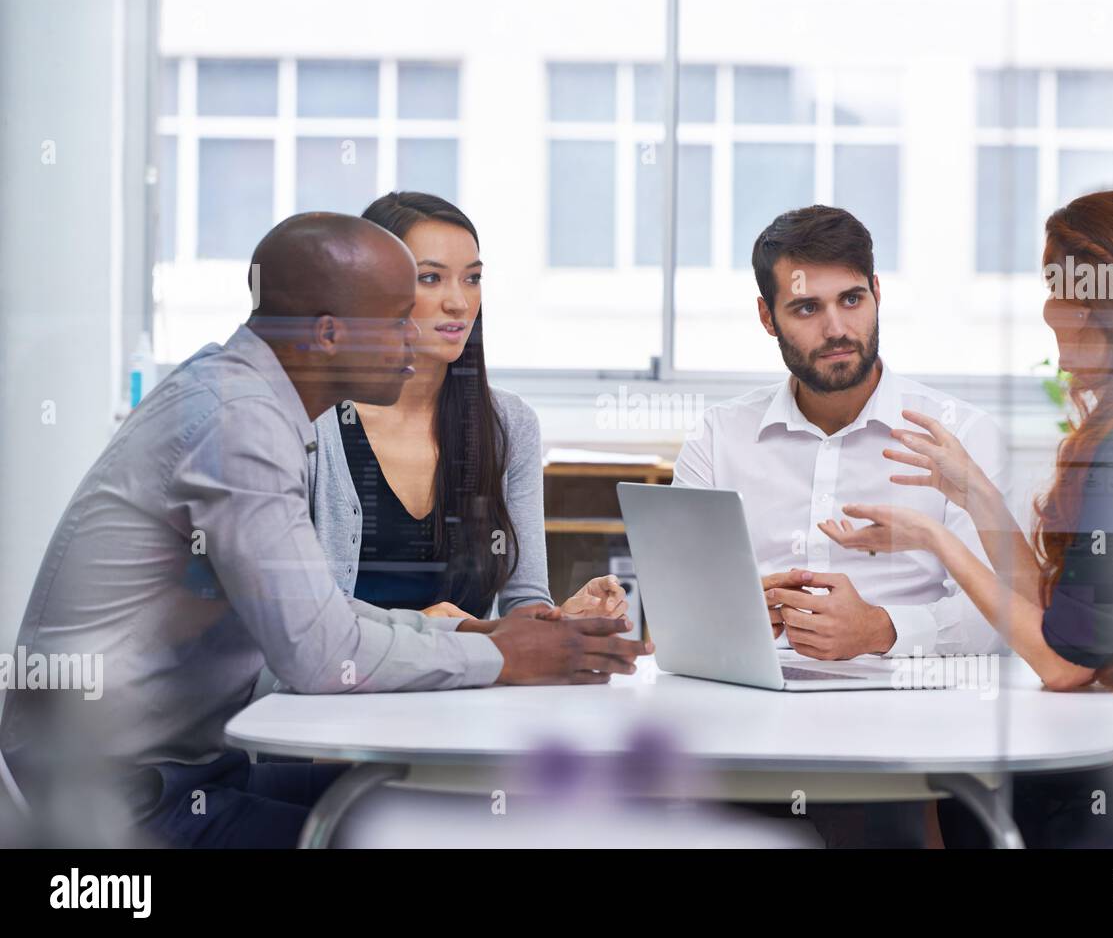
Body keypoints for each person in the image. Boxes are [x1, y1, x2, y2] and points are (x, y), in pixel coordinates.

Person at [0, 212, 650, 848]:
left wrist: (469, 629)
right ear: (331, 333)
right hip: (116, 805)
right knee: (429, 834)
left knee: (446, 809)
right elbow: (318, 652)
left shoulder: (253, 399)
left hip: (192, 767)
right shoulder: (241, 424)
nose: (415, 339)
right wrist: (502, 654)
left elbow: (312, 609)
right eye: (399, 319)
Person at [820, 190, 1113, 847]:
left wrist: (937, 537)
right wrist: (973, 493)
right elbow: (1064, 624)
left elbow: (1061, 664)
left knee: (971, 807)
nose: (1047, 312)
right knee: (970, 797)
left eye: (1054, 292)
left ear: (1095, 311)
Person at [674, 205, 1009, 660]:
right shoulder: (718, 436)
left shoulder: (961, 435)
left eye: (851, 300)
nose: (836, 330)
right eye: (807, 308)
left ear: (876, 293)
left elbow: (997, 613)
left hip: (911, 701)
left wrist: (881, 630)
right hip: (754, 693)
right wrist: (735, 612)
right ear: (767, 317)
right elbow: (680, 603)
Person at [309, 192, 627, 625]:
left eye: (472, 279)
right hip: (342, 689)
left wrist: (559, 619)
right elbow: (293, 620)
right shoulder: (312, 426)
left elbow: (523, 602)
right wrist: (420, 629)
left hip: (467, 688)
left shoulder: (510, 425)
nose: (459, 302)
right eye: (430, 278)